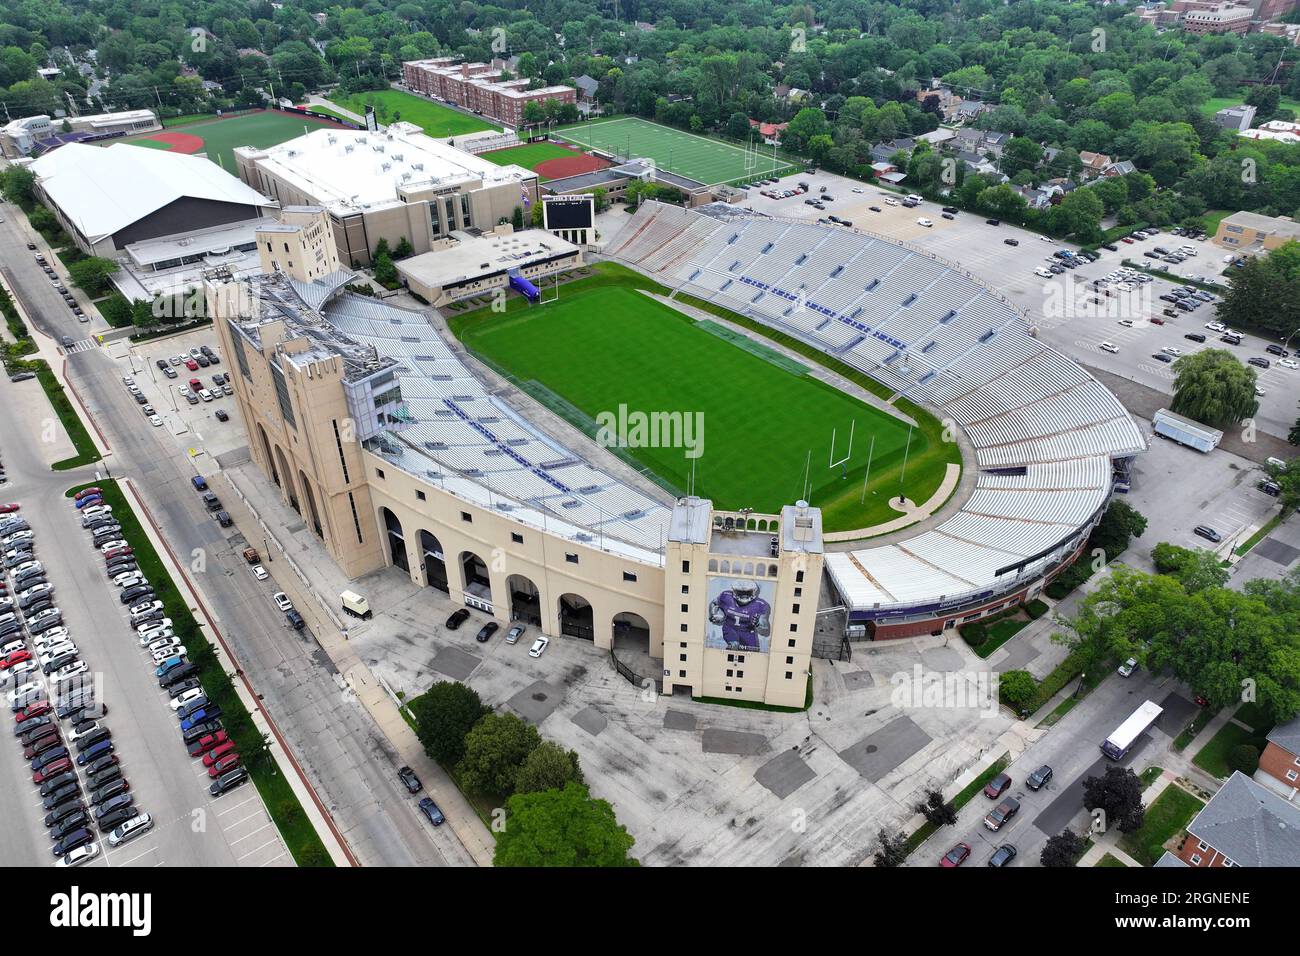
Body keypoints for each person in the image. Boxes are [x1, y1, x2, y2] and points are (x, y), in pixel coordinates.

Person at [708, 580, 771, 651]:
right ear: (734, 591)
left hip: (748, 633)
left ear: (753, 592)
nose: (744, 596)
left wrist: (758, 624)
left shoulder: (760, 604)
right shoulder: (726, 596)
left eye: (748, 592)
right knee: (734, 645)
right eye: (741, 592)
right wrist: (713, 614)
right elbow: (713, 603)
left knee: (753, 652)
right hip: (730, 629)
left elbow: (766, 631)